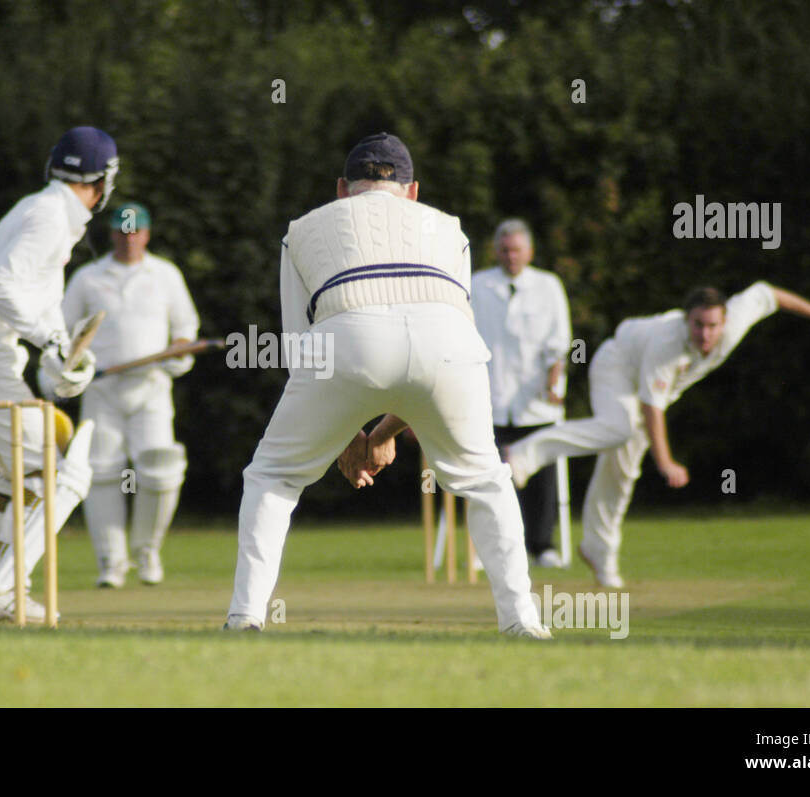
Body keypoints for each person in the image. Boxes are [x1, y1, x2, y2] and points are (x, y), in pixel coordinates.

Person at [223, 132, 551, 638]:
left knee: (273, 476)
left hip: (347, 342)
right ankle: (523, 623)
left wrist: (351, 437)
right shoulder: (451, 228)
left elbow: (300, 348)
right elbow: (441, 344)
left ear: (342, 189)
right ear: (413, 190)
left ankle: (245, 618)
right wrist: (383, 433)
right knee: (487, 482)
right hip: (449, 349)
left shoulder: (302, 229)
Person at [505, 283, 810, 587]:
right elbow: (651, 407)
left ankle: (599, 551)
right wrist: (667, 461)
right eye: (698, 324)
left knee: (622, 473)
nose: (705, 334)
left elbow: (768, 294)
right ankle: (522, 454)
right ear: (687, 320)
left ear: (724, 321)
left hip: (649, 390)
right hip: (617, 368)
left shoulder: (735, 320)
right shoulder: (667, 342)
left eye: (712, 325)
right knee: (618, 429)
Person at [0, 126, 118, 622]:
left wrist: (64, 365)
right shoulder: (48, 216)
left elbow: (37, 311)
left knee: (22, 475)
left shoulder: (47, 212)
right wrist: (53, 341)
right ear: (103, 180)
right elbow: (0, 289)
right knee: (66, 469)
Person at [56, 202, 200, 587]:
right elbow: (65, 334)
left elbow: (185, 328)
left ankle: (147, 552)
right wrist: (72, 369)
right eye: (123, 230)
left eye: (136, 231)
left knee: (160, 468)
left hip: (151, 388)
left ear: (147, 234)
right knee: (103, 472)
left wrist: (179, 353)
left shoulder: (165, 274)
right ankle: (111, 561)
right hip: (102, 390)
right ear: (113, 233)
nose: (129, 238)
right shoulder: (88, 278)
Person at [472, 218, 572, 567]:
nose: (510, 256)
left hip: (536, 403)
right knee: (493, 475)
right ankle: (494, 549)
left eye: (516, 249)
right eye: (504, 249)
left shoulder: (548, 285)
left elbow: (559, 343)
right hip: (491, 399)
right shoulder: (478, 285)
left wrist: (553, 383)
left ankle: (542, 545)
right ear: (495, 251)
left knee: (542, 477)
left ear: (529, 251)